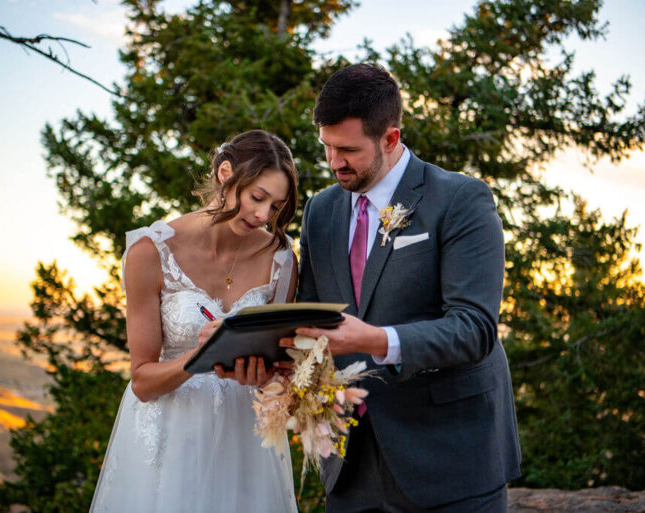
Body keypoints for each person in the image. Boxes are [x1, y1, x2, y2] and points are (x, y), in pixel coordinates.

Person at [286, 64, 521, 512]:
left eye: (348, 150)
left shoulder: (460, 199)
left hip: (449, 456)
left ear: (390, 139)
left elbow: (474, 329)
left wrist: (374, 340)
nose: (334, 162)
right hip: (349, 461)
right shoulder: (320, 211)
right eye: (327, 147)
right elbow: (309, 316)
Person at [89, 129, 299, 513]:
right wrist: (204, 355)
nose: (263, 215)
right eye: (257, 197)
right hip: (170, 439)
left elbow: (281, 374)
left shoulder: (281, 259)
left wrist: (265, 377)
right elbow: (142, 381)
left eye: (276, 206)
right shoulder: (150, 251)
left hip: (245, 444)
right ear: (225, 173)